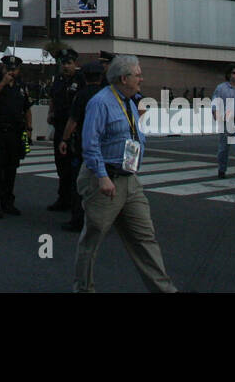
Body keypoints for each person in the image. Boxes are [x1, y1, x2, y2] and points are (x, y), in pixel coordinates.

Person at [73, 54, 178, 293]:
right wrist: (101, 176)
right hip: (106, 180)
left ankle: (165, 290)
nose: (142, 78)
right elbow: (90, 143)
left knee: (144, 237)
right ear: (124, 78)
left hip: (129, 179)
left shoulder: (130, 101)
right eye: (137, 74)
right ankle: (83, 289)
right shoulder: (101, 103)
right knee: (92, 240)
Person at [59, 59, 107, 232]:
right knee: (101, 182)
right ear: (101, 77)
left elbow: (73, 120)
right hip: (104, 145)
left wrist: (64, 140)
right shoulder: (108, 94)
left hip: (83, 144)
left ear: (84, 77)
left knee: (79, 183)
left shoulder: (81, 95)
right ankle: (102, 220)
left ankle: (78, 219)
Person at [0, 56, 32, 218]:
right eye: (8, 69)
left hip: (15, 132)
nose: (11, 72)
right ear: (3, 68)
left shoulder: (21, 85)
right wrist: (2, 83)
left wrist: (29, 129)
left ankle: (7, 201)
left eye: (14, 69)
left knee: (11, 168)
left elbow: (27, 108)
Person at [48, 50, 81, 212]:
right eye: (64, 63)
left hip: (74, 128)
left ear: (75, 64)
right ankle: (63, 198)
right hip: (60, 126)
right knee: (61, 164)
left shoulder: (80, 79)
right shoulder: (59, 79)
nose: (66, 66)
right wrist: (50, 113)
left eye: (69, 63)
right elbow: (53, 98)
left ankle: (75, 200)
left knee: (73, 166)